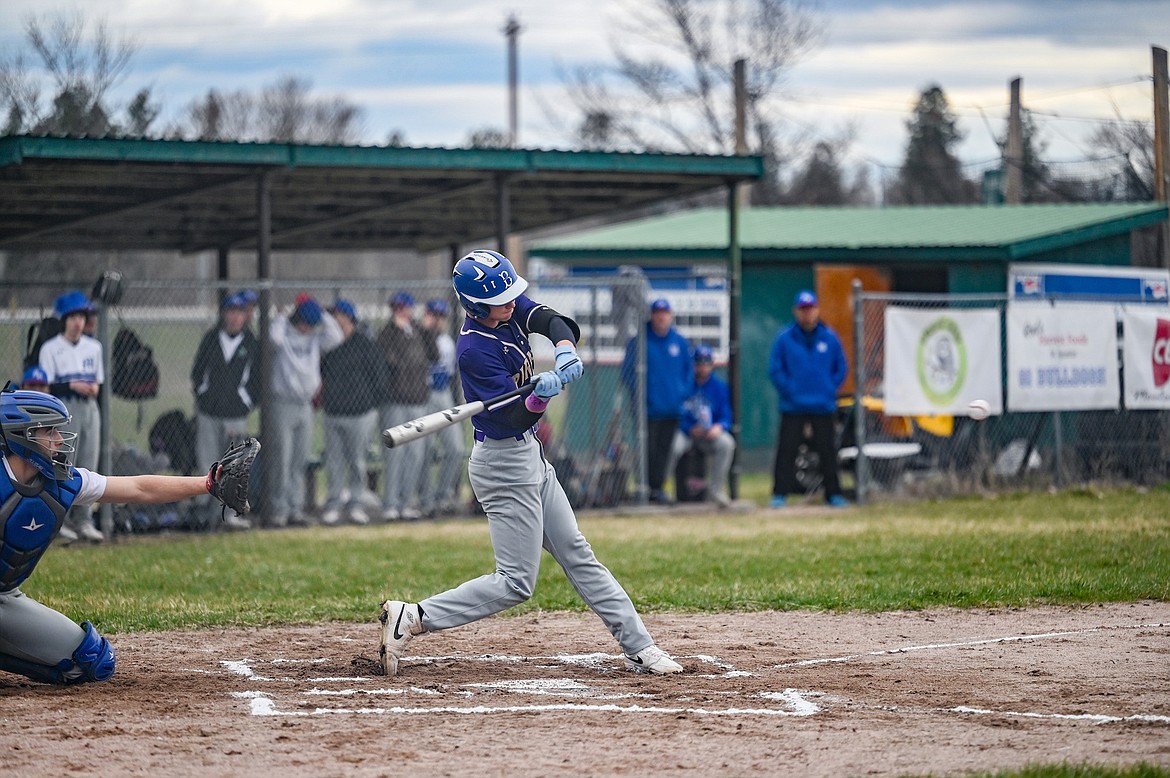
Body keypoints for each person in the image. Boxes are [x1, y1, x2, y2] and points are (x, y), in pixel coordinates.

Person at [378, 249, 682, 677]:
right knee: (516, 582)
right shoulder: (473, 350)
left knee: (577, 552)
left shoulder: (506, 309)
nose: (511, 303)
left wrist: (563, 349)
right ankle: (414, 616)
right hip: (502, 463)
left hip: (530, 455)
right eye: (500, 301)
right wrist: (539, 398)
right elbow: (510, 419)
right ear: (476, 307)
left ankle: (640, 646)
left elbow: (554, 322)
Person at [0, 386, 236, 685]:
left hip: (5, 597)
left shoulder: (63, 482)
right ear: (22, 435)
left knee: (92, 660)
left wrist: (207, 484)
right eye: (50, 431)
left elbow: (139, 488)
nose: (60, 440)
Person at [267, 294, 343, 527]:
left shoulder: (315, 338)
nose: (307, 329)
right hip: (283, 403)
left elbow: (336, 337)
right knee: (282, 460)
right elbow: (273, 338)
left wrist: (322, 313)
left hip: (305, 405)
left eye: (311, 325)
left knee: (298, 461)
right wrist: (282, 317)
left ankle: (295, 508)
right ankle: (278, 509)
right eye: (304, 323)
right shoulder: (283, 335)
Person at [768, 290, 849, 508]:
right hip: (793, 405)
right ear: (796, 311)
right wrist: (790, 390)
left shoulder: (829, 337)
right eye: (803, 309)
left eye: (811, 309)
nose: (807, 313)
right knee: (787, 450)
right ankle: (780, 493)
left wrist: (829, 388)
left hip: (822, 405)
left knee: (827, 451)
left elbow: (841, 367)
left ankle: (833, 493)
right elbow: (775, 369)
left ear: (817, 310)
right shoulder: (784, 338)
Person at [37, 290, 105, 542]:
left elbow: (98, 381)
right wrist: (71, 385)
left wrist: (92, 388)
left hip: (89, 407)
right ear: (64, 320)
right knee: (63, 463)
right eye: (73, 317)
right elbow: (46, 385)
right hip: (64, 406)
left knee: (89, 462)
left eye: (81, 317)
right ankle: (59, 521)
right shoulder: (51, 348)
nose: (78, 322)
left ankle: (84, 520)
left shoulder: (93, 347)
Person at [189, 290, 260, 531]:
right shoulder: (211, 338)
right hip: (209, 413)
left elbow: (256, 380)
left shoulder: (251, 342)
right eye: (231, 312)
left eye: (240, 312)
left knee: (233, 467)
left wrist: (245, 402)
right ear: (224, 314)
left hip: (235, 416)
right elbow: (198, 372)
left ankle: (229, 515)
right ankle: (204, 514)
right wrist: (203, 395)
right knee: (207, 463)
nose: (235, 317)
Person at [319, 299, 384, 526]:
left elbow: (379, 377)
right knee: (334, 462)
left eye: (337, 315)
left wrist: (369, 404)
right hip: (333, 412)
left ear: (348, 318)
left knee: (357, 462)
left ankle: (356, 504)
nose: (333, 320)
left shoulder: (364, 343)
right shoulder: (329, 344)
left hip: (360, 414)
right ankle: (334, 504)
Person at [622, 297, 693, 504]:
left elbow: (688, 372)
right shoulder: (640, 341)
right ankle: (644, 488)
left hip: (672, 408)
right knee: (648, 451)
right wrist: (641, 397)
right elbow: (627, 373)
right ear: (652, 316)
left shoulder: (679, 342)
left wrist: (681, 394)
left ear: (670, 316)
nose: (661, 317)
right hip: (648, 410)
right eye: (658, 313)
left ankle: (658, 488)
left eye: (665, 313)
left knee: (665, 452)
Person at [375, 292, 437, 521]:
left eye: (407, 307)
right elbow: (392, 361)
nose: (405, 312)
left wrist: (427, 331)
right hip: (395, 401)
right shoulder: (387, 334)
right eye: (401, 308)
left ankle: (405, 502)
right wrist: (399, 331)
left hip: (417, 400)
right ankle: (390, 504)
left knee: (415, 455)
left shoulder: (418, 332)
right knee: (395, 455)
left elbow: (434, 355)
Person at [665, 345, 736, 508]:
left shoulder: (719, 387)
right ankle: (662, 489)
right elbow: (676, 413)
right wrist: (689, 428)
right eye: (699, 363)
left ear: (711, 365)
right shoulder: (685, 385)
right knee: (673, 446)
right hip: (687, 433)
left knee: (727, 444)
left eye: (706, 363)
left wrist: (719, 427)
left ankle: (716, 491)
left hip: (708, 434)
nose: (702, 367)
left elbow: (726, 416)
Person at [417, 298, 465, 517]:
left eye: (441, 316)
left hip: (443, 394)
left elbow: (451, 372)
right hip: (423, 395)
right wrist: (425, 330)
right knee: (425, 450)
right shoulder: (418, 336)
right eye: (434, 315)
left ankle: (443, 495)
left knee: (455, 447)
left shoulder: (447, 341)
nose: (437, 320)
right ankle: (426, 500)